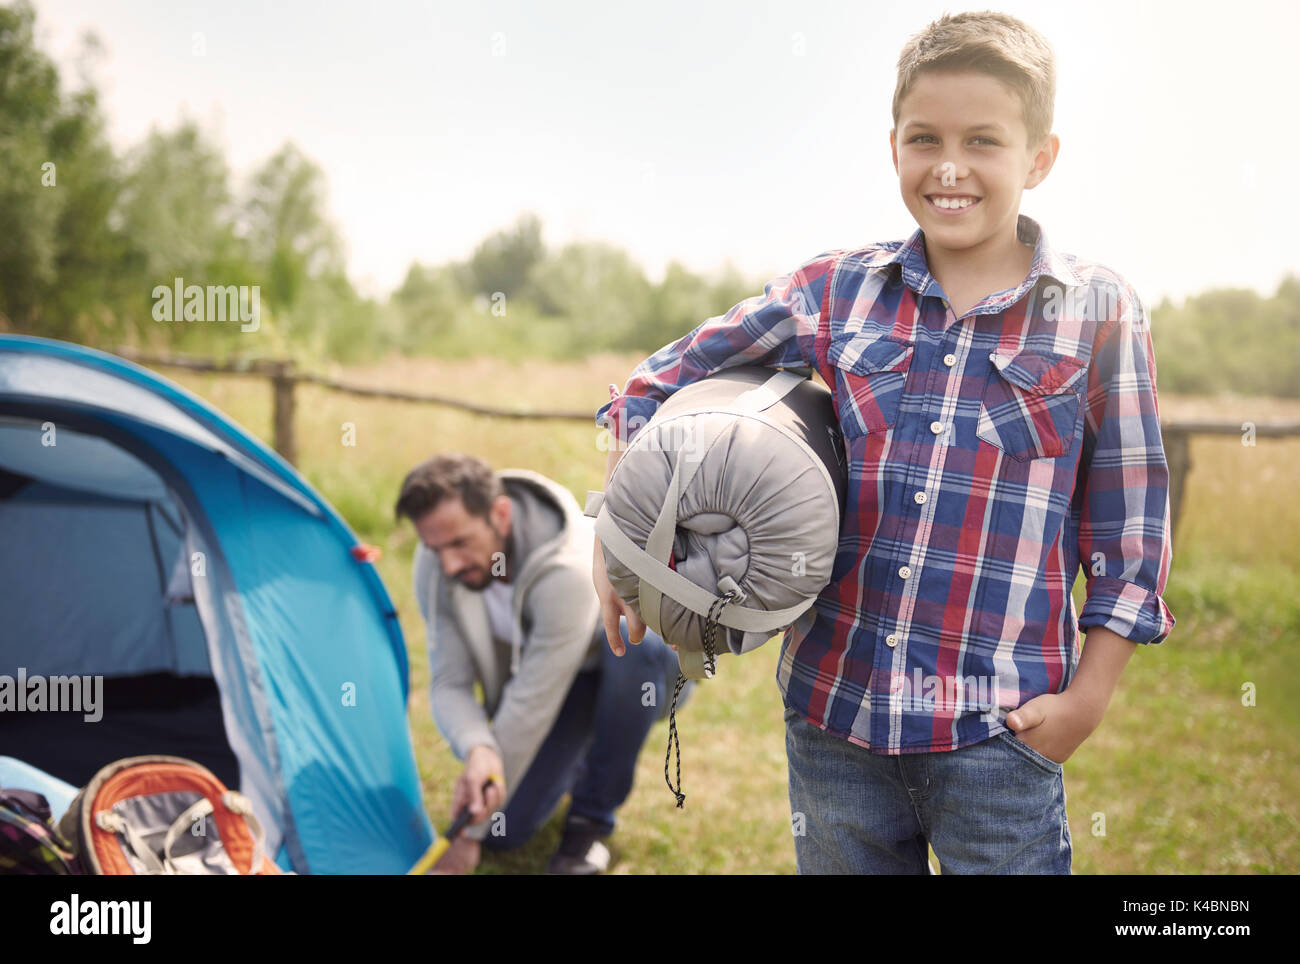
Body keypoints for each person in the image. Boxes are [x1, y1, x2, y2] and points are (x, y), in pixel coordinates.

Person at [593, 10, 1174, 874]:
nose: (949, 166)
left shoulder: (1097, 311)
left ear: (1039, 157)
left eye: (983, 140)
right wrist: (620, 540)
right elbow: (652, 387)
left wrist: (1087, 701)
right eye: (924, 138)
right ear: (893, 145)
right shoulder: (836, 291)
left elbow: (1129, 535)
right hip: (836, 718)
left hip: (999, 732)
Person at [396, 453, 686, 874]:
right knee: (504, 831)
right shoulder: (438, 564)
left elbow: (530, 705)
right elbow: (448, 682)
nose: (449, 564)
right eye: (434, 548)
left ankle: (588, 825)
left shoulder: (565, 569)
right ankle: (573, 754)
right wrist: (478, 747)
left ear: (500, 513)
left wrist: (466, 837)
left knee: (629, 641)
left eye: (459, 543)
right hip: (553, 689)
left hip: (625, 671)